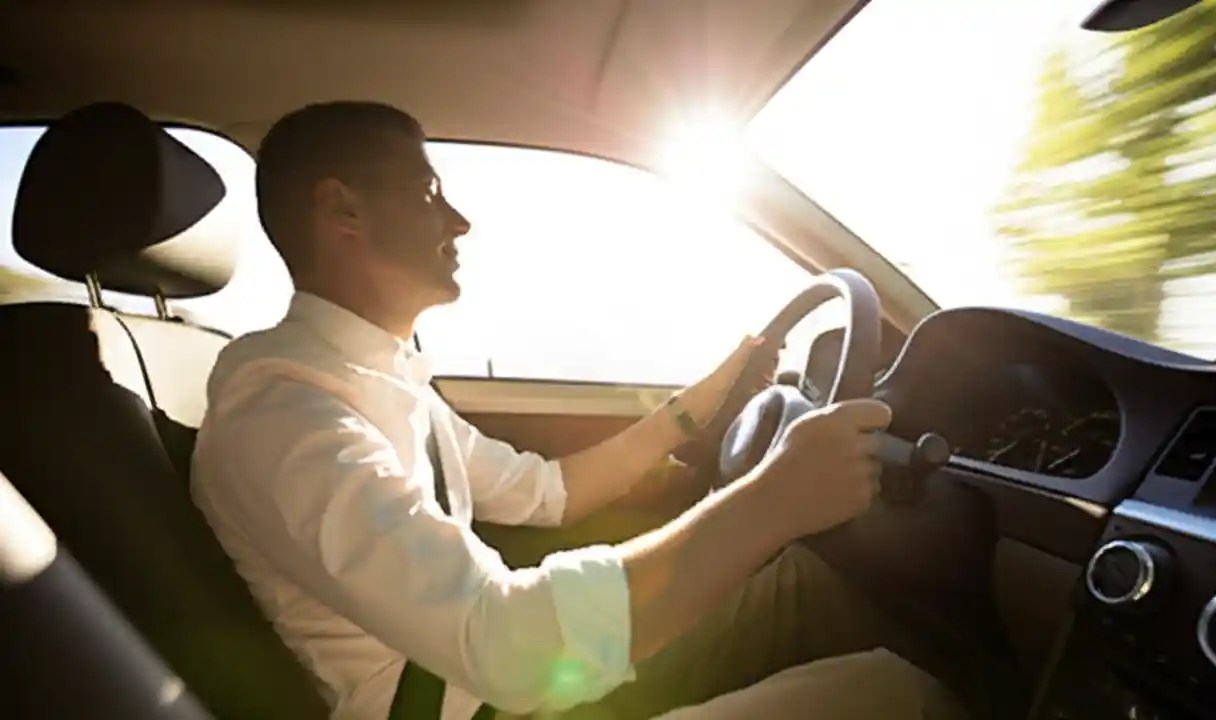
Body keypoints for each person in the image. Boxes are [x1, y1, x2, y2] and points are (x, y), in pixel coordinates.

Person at [190, 102, 965, 720]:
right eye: (429, 193)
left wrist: (708, 399)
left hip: (501, 685)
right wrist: (774, 499)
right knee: (890, 693)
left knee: (804, 585)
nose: (458, 221)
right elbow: (502, 645)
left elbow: (545, 491)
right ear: (343, 212)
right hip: (484, 701)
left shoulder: (377, 377)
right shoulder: (287, 417)